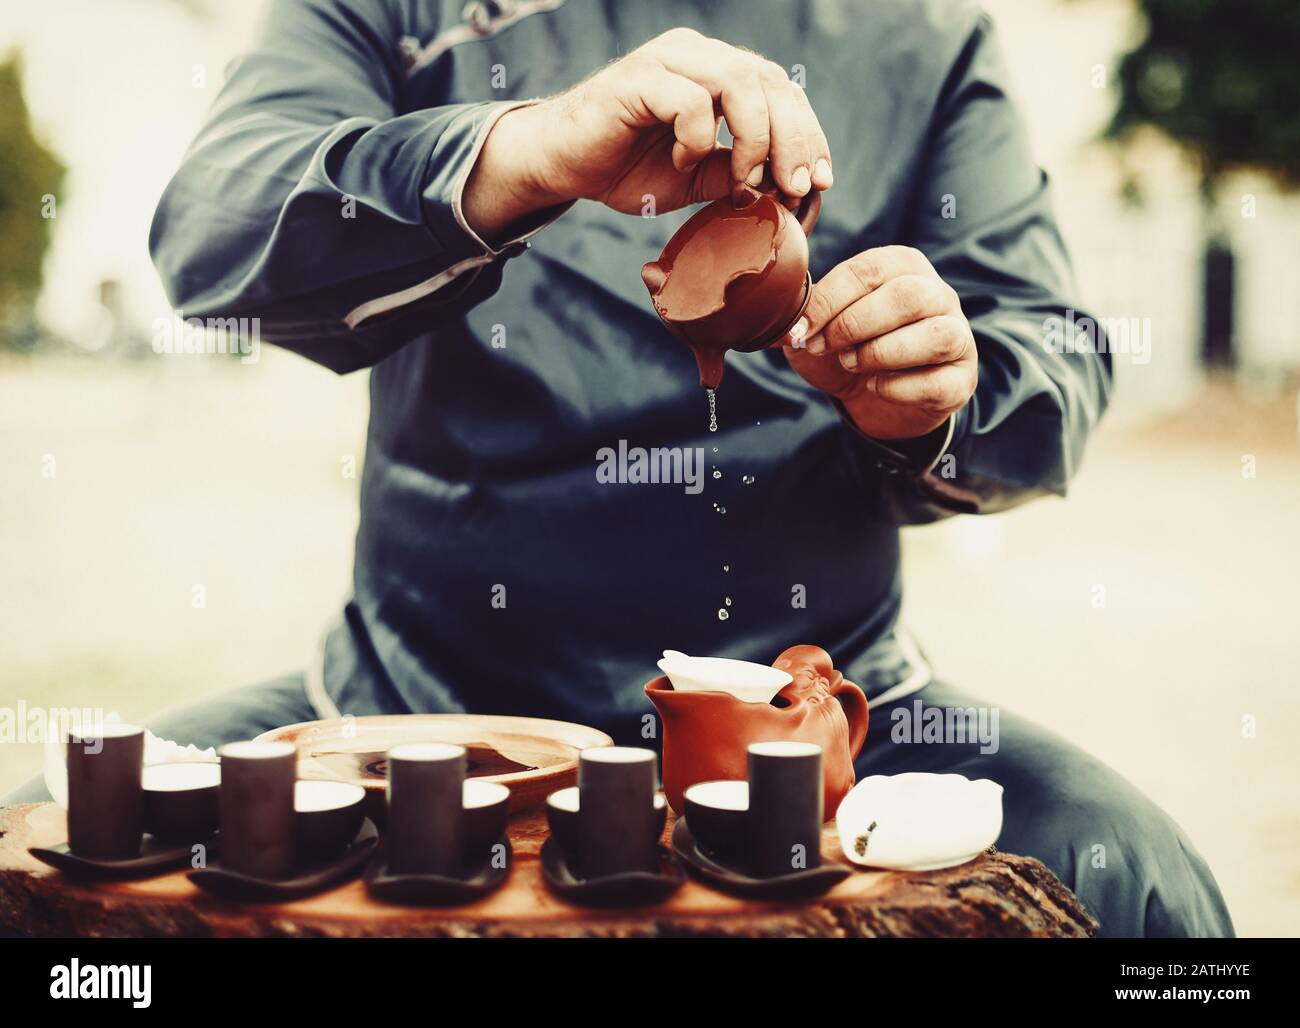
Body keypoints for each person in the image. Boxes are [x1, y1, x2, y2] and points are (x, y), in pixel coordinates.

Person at [4, 0, 1232, 936]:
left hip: (836, 722)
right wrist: (517, 158)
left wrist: (934, 393)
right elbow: (215, 231)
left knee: (1143, 884)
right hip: (405, 715)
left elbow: (1052, 362)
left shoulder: (918, 34)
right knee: (42, 865)